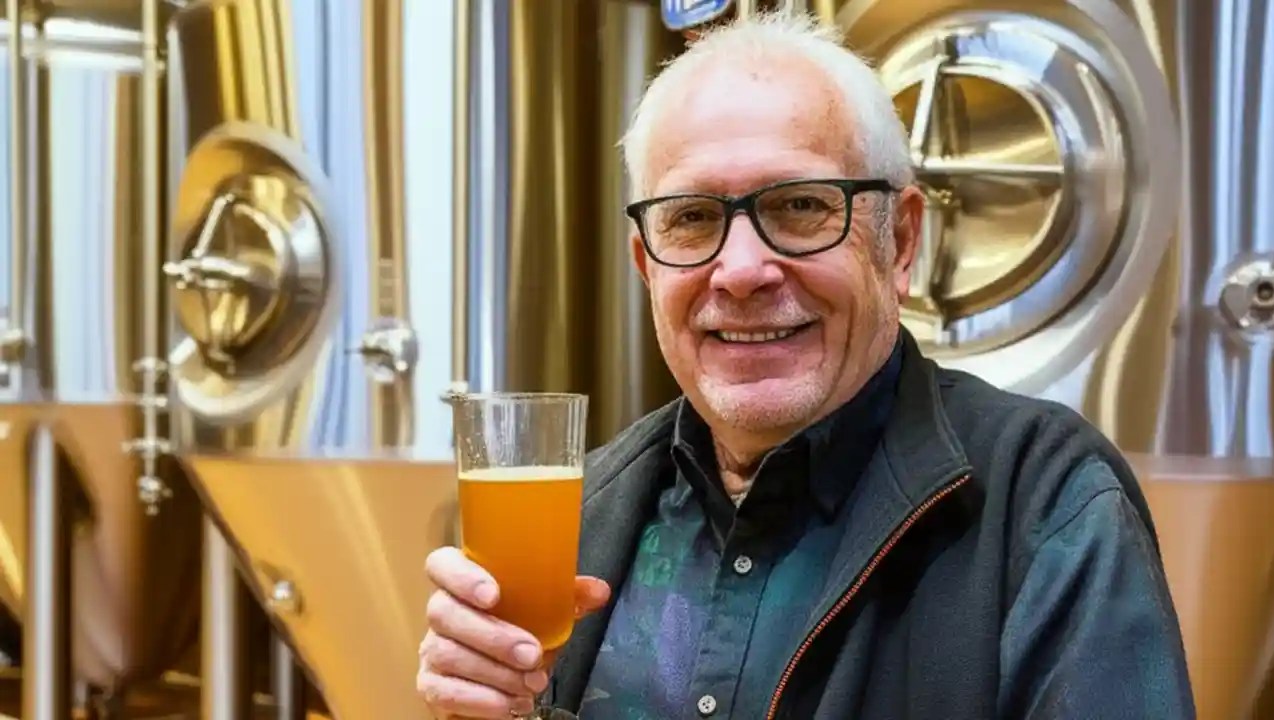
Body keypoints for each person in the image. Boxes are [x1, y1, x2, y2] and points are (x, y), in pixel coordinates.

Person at [416, 12, 1195, 720]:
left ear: (899, 242)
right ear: (647, 267)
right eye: (692, 219)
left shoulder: (1042, 501)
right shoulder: (590, 512)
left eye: (799, 207)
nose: (742, 270)